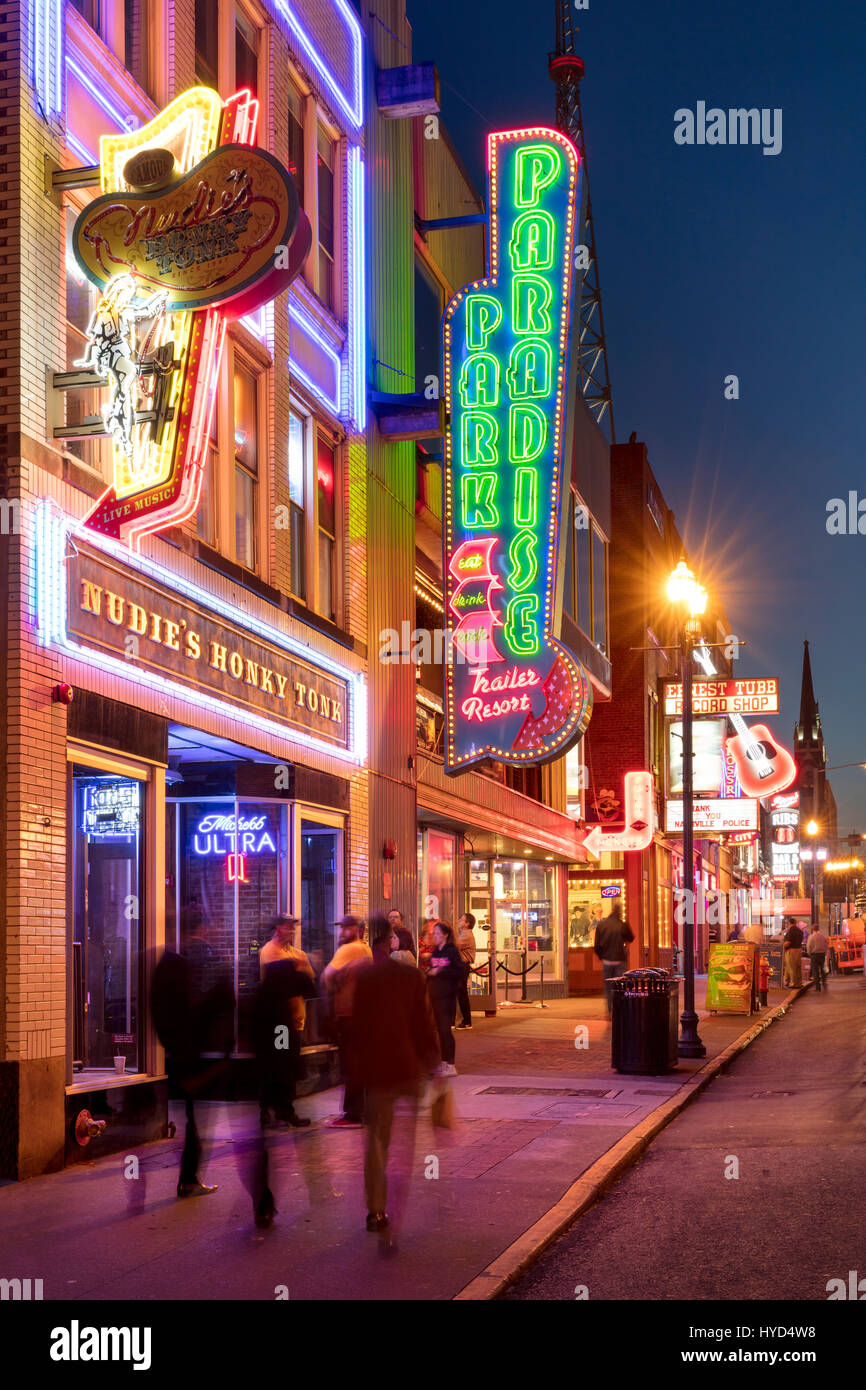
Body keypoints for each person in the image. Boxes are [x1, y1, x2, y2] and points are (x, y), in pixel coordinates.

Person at [353, 933, 440, 1242]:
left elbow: (356, 1026)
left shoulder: (365, 978)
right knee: (405, 1144)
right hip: (407, 1067)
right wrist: (434, 1062)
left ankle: (376, 1209)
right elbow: (424, 1022)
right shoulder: (413, 977)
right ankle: (396, 1210)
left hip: (377, 1071)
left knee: (377, 1142)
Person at [151, 909, 234, 1198]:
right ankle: (189, 1179)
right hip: (192, 1055)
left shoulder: (166, 964)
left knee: (192, 1117)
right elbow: (192, 1011)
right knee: (196, 1118)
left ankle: (189, 1178)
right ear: (198, 928)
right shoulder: (183, 965)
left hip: (180, 1053)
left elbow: (161, 1012)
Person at [322, 915, 372, 1127]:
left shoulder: (349, 949)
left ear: (358, 930)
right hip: (363, 1015)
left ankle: (352, 1114)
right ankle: (364, 1111)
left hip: (348, 1015)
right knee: (361, 1065)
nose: (341, 932)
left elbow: (326, 976)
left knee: (350, 1066)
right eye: (341, 928)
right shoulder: (366, 950)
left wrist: (331, 994)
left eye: (346, 928)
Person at [258, 914, 315, 1035]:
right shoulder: (269, 950)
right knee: (282, 1050)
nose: (293, 931)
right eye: (288, 927)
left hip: (297, 1019)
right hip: (280, 1020)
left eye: (293, 927)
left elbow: (309, 978)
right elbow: (284, 980)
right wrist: (298, 966)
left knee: (293, 1052)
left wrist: (297, 966)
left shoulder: (299, 954)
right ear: (278, 929)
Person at [426, 921, 463, 1075]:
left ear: (445, 934)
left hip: (447, 996)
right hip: (435, 995)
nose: (434, 936)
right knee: (439, 1031)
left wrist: (440, 971)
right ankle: (443, 1061)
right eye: (433, 933)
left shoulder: (452, 951)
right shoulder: (436, 951)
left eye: (437, 933)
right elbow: (432, 968)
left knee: (445, 1029)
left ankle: (451, 1064)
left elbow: (458, 972)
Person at [593, 902, 635, 1016]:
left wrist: (601, 956)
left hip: (607, 960)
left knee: (608, 986)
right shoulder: (622, 924)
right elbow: (631, 938)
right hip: (620, 960)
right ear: (620, 912)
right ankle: (619, 1007)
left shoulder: (602, 924)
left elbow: (596, 944)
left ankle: (610, 1007)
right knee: (620, 985)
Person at [455, 912, 477, 1029]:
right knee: (459, 993)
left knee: (462, 993)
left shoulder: (466, 935)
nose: (459, 921)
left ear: (467, 924)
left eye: (461, 919)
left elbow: (454, 946)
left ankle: (467, 1021)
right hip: (461, 965)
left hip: (462, 966)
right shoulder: (463, 934)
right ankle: (462, 1020)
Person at [806, 923, 829, 992]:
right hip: (822, 954)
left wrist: (809, 953)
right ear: (818, 929)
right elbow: (826, 945)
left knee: (815, 970)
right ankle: (824, 982)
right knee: (822, 968)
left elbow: (809, 946)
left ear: (813, 929)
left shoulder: (811, 936)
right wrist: (825, 952)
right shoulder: (823, 936)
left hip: (814, 955)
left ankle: (817, 987)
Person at [783, 918, 804, 987]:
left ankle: (794, 983)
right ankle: (798, 982)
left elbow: (788, 942)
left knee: (791, 967)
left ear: (789, 923)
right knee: (797, 967)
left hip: (791, 950)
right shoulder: (800, 931)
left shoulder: (791, 930)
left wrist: (782, 946)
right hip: (799, 949)